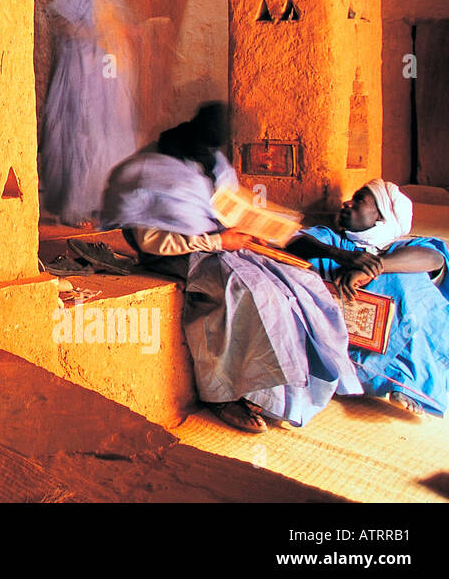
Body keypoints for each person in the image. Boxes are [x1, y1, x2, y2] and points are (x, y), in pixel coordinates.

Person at [101, 103, 361, 433]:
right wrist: (218, 243)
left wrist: (256, 234)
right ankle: (223, 395)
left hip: (226, 245)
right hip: (181, 254)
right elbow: (151, 241)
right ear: (194, 126)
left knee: (299, 283)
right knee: (250, 292)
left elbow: (229, 209)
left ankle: (286, 393)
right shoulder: (146, 172)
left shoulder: (214, 162)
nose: (215, 146)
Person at [286, 180, 449, 417]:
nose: (347, 204)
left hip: (391, 345)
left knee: (407, 282)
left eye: (359, 201)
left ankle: (404, 380)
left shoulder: (403, 249)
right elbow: (293, 242)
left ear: (381, 215)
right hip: (336, 341)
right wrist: (340, 255)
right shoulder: (331, 240)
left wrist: (375, 268)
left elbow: (434, 259)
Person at [39, 0, 138, 226]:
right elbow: (62, 21)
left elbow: (117, 29)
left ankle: (104, 205)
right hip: (81, 74)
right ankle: (75, 208)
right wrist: (94, 33)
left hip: (106, 77)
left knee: (112, 136)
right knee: (81, 136)